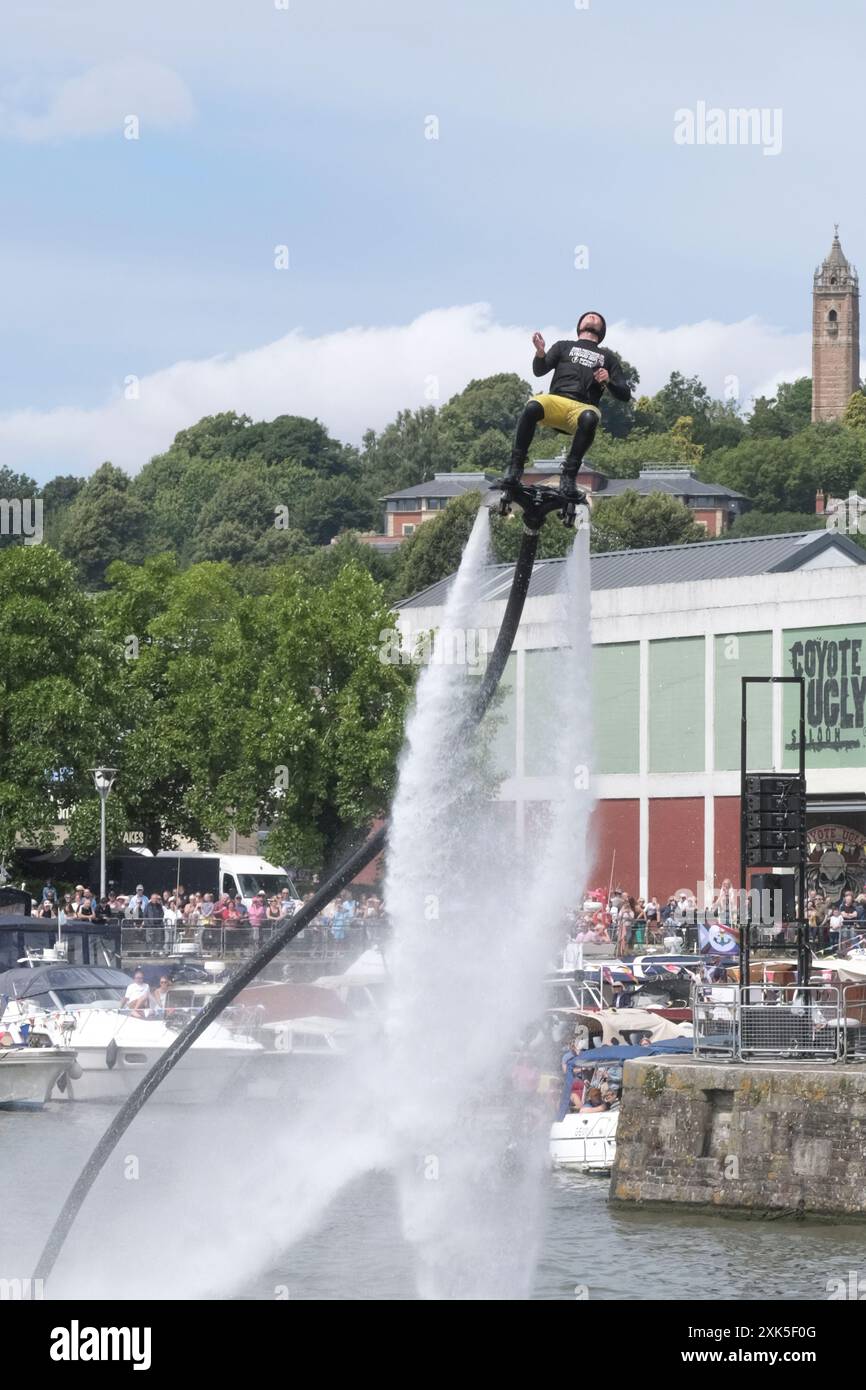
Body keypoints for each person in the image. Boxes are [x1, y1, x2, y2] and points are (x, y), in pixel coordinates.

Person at [498, 311, 632, 503]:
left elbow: (625, 394)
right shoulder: (563, 346)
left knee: (590, 417)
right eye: (589, 316)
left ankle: (568, 476)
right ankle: (515, 467)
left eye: (597, 317)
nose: (592, 317)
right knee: (532, 405)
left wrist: (608, 380)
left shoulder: (607, 358)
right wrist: (540, 352)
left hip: (582, 409)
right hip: (556, 402)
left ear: (602, 330)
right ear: (580, 325)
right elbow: (539, 370)